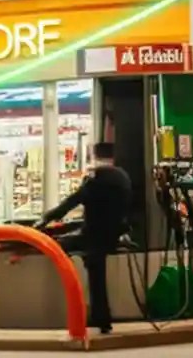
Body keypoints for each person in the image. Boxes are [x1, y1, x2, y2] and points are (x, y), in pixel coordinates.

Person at [36, 142, 132, 335]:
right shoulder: (123, 177)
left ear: (95, 157)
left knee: (61, 247)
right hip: (113, 234)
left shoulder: (97, 178)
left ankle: (85, 313)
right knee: (96, 273)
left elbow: (72, 202)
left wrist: (46, 218)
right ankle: (101, 318)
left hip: (94, 236)